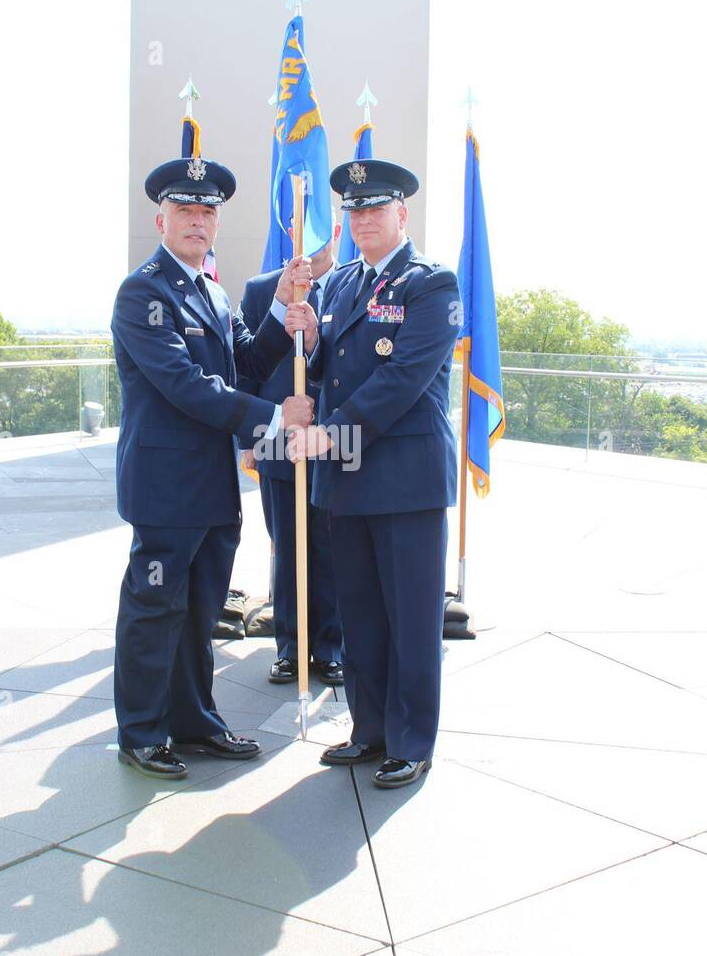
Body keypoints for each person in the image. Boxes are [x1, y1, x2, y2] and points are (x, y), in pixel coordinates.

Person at [111, 155, 318, 779]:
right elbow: (185, 384)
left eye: (208, 212)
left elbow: (243, 363)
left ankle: (194, 721)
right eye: (186, 209)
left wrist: (283, 309)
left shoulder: (213, 291)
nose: (198, 221)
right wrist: (279, 419)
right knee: (155, 608)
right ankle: (142, 733)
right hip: (164, 487)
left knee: (200, 610)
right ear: (162, 218)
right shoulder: (144, 291)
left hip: (211, 484)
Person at [286, 158, 462, 788]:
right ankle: (370, 729)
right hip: (351, 476)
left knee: (410, 617)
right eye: (353, 211)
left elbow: (400, 383)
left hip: (405, 478)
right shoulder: (338, 286)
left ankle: (412, 740)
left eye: (373, 209)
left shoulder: (431, 283)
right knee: (361, 613)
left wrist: (326, 435)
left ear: (401, 214)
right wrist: (305, 337)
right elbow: (329, 368)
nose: (362, 219)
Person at [237, 212, 348, 686]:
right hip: (277, 437)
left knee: (331, 546)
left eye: (322, 232)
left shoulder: (354, 287)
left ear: (336, 233)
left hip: (338, 439)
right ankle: (289, 647)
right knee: (287, 546)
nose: (312, 242)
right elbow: (247, 369)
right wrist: (248, 441)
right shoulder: (262, 288)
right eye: (305, 230)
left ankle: (330, 647)